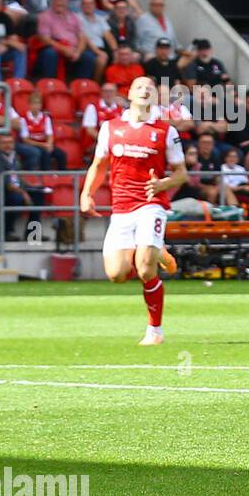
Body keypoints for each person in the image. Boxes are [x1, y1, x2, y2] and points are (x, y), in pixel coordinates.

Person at [78, 76, 185, 346]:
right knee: (116, 274)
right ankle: (158, 249)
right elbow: (99, 165)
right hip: (122, 207)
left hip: (152, 204)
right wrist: (86, 194)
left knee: (146, 270)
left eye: (150, 88)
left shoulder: (165, 131)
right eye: (140, 87)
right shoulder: (110, 128)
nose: (145, 91)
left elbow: (181, 174)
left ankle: (155, 331)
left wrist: (164, 183)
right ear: (129, 94)